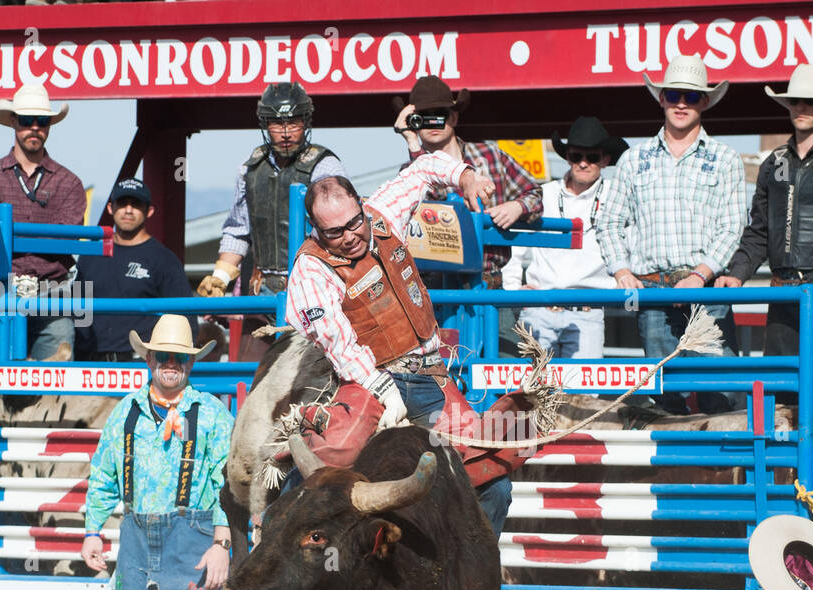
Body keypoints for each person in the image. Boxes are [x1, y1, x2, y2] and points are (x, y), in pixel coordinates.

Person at [282, 155, 511, 533]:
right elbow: (336, 340)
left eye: (354, 222)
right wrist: (382, 389)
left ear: (361, 206)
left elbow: (423, 169)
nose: (350, 236)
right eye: (334, 232)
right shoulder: (310, 267)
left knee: (493, 479)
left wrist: (465, 176)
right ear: (316, 230)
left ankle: (471, 568)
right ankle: (277, 523)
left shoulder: (383, 210)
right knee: (329, 462)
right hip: (367, 379)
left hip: (430, 375)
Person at [80, 314, 245, 590]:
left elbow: (226, 480)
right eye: (163, 356)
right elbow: (105, 475)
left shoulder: (211, 413)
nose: (170, 364)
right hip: (136, 532)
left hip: (192, 532)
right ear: (149, 359)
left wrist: (221, 539)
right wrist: (94, 528)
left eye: (179, 358)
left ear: (190, 364)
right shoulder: (125, 412)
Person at [597, 54, 744, 411]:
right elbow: (609, 222)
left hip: (706, 289)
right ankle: (674, 467)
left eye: (691, 96)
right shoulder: (633, 159)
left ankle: (724, 467)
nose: (681, 103)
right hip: (650, 291)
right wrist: (621, 270)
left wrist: (699, 275)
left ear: (704, 102)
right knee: (664, 394)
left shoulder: (726, 158)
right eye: (674, 94)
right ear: (661, 97)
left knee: (721, 390)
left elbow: (732, 225)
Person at [717, 65, 813, 356]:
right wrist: (737, 273)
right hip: (782, 294)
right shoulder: (773, 163)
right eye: (794, 100)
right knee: (783, 390)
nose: (801, 107)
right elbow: (759, 231)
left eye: (810, 101)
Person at [197, 83, 346, 303]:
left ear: (304, 123)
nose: (285, 132)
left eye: (293, 122)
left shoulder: (325, 167)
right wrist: (219, 278)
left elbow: (342, 231)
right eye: (277, 123)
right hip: (261, 286)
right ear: (265, 125)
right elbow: (238, 231)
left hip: (313, 286)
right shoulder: (250, 169)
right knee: (249, 339)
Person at [393, 76, 541, 287]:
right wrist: (411, 141)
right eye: (423, 117)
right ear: (412, 122)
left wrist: (517, 206)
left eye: (440, 115)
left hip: (488, 282)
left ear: (454, 117)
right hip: (435, 287)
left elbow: (535, 194)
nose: (432, 123)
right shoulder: (408, 171)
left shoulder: (491, 155)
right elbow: (429, 198)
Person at [501, 117, 626, 359]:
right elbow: (515, 244)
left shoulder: (617, 197)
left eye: (592, 157)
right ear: (567, 157)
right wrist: (514, 290)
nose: (583, 163)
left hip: (588, 310)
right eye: (576, 155)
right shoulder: (542, 194)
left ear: (605, 159)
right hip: (539, 307)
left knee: (583, 394)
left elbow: (630, 246)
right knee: (532, 392)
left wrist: (616, 289)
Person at [0, 82, 86, 359]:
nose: (34, 127)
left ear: (49, 125)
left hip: (52, 292)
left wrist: (9, 236)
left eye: (42, 121)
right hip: (1, 290)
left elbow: (67, 237)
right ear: (12, 122)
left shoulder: (69, 182)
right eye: (26, 120)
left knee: (56, 386)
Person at [74, 178, 193, 361]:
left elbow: (186, 318)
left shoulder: (165, 260)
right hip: (89, 365)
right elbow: (76, 309)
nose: (128, 210)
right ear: (110, 208)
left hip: (140, 364)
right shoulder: (90, 255)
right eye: (122, 203)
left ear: (149, 211)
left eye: (136, 204)